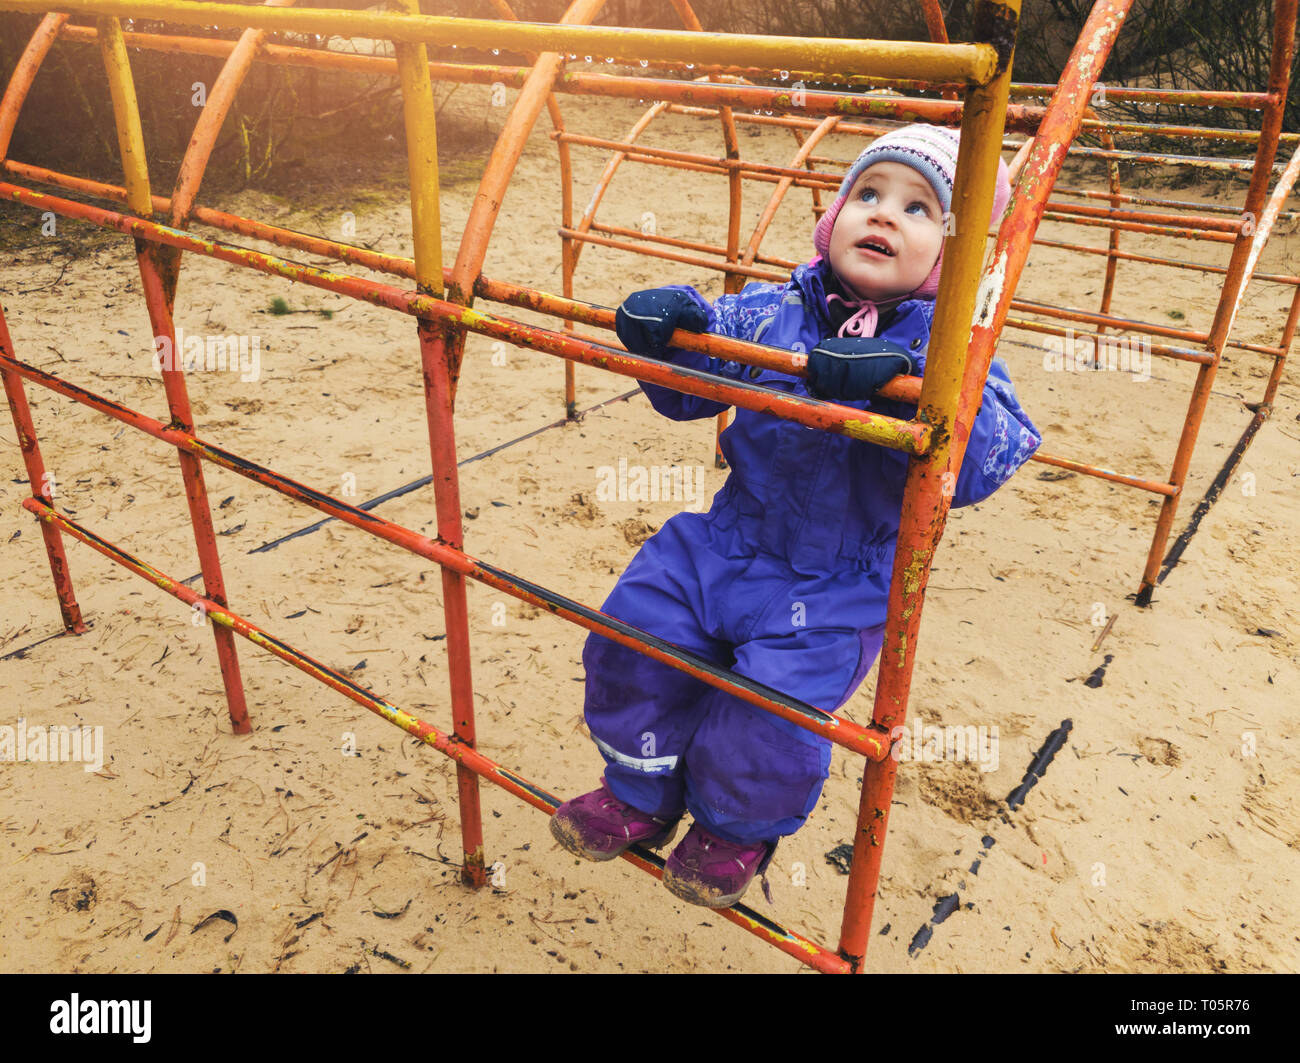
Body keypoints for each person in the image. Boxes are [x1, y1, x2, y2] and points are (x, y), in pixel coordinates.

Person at [550, 124, 1041, 908]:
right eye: (868, 193)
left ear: (953, 255)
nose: (883, 214)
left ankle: (732, 828)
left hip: (838, 576)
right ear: (834, 216)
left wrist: (910, 385)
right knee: (632, 634)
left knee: (770, 707)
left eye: (920, 209)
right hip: (728, 538)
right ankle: (640, 790)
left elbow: (987, 454)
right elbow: (705, 361)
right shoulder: (779, 309)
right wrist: (673, 330)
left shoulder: (952, 348)